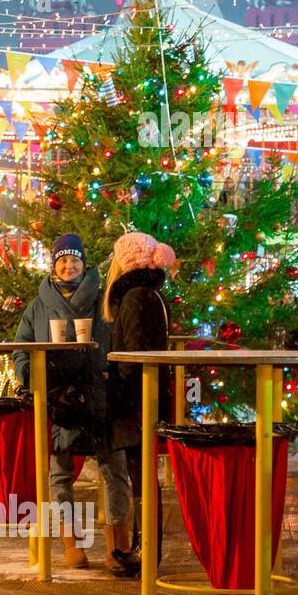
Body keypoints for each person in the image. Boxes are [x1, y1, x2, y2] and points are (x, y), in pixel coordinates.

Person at [14, 234, 130, 570]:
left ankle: (117, 545)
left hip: (100, 395)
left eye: (75, 260)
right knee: (60, 472)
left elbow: (118, 339)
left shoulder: (104, 299)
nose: (69, 266)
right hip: (59, 397)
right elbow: (21, 346)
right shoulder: (39, 304)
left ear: (84, 263)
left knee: (114, 470)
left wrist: (112, 374)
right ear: (54, 264)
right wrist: (30, 376)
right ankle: (71, 542)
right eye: (62, 260)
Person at [104, 233, 177, 577]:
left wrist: (112, 379)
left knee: (142, 478)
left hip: (136, 402)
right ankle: (143, 547)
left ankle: (146, 551)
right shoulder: (153, 295)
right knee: (143, 477)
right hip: (148, 398)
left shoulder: (134, 297)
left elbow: (132, 356)